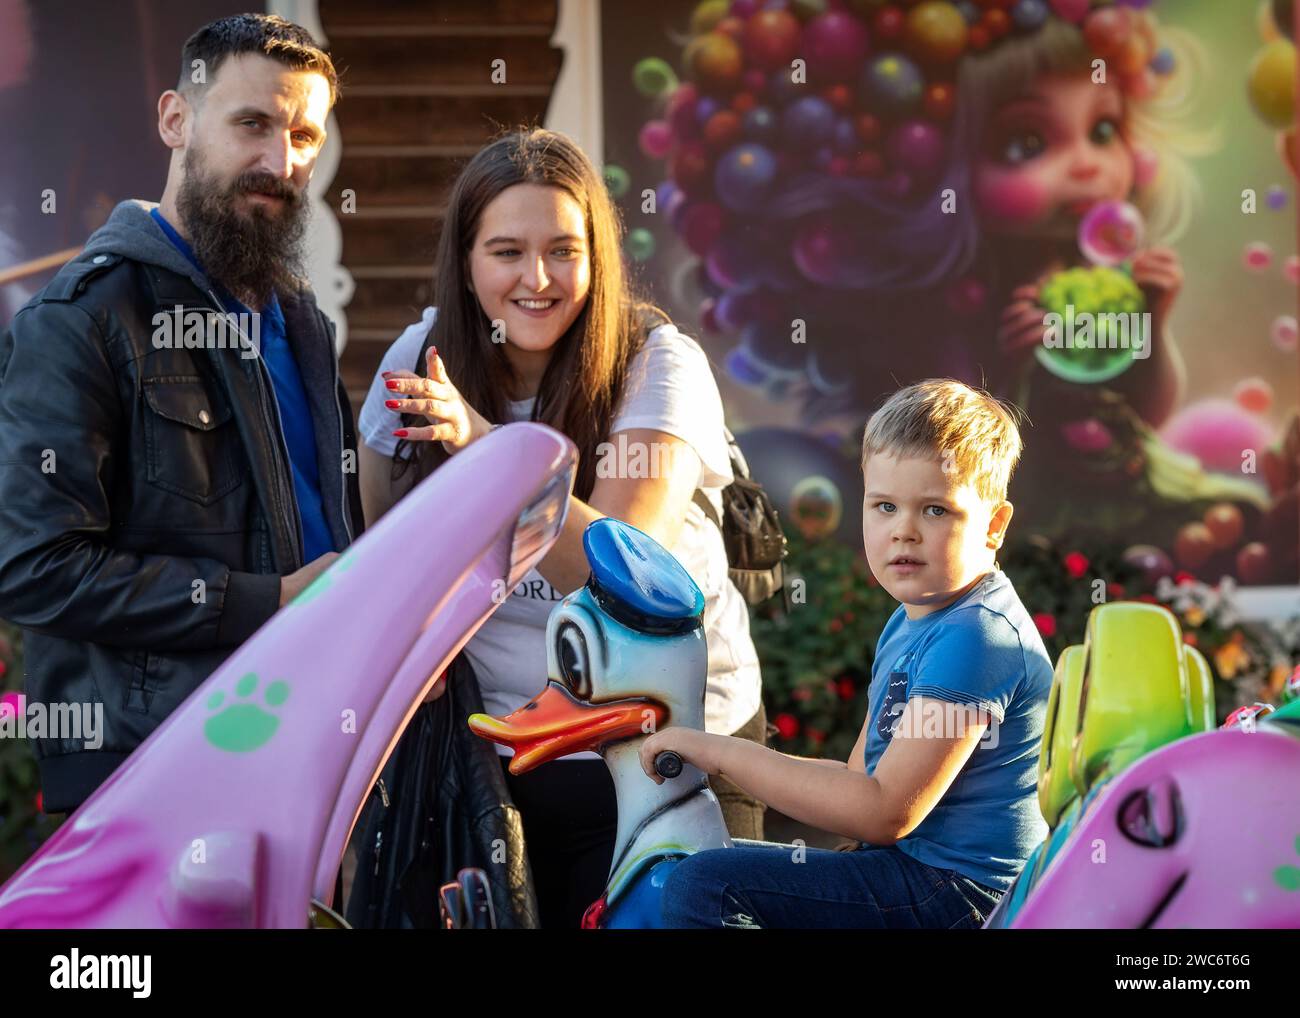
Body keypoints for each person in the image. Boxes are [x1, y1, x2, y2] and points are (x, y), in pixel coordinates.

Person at [356, 127, 766, 928]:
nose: (536, 280)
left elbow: (627, 577)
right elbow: (386, 555)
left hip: (670, 753)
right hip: (502, 753)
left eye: (563, 251)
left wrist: (489, 449)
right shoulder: (421, 356)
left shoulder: (657, 362)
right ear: (466, 265)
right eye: (506, 251)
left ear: (597, 258)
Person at [0, 14, 360, 814]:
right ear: (175, 119)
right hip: (146, 770)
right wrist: (266, 602)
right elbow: (30, 566)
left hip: (306, 754)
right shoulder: (80, 317)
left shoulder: (301, 323)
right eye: (252, 124)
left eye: (304, 134)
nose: (281, 161)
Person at [643, 379, 1054, 929]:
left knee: (706, 886)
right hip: (909, 871)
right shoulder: (916, 619)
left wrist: (719, 752)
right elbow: (858, 780)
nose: (903, 532)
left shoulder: (977, 636)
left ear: (995, 525)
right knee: (692, 863)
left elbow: (884, 813)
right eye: (885, 506)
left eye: (935, 511)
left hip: (959, 893)